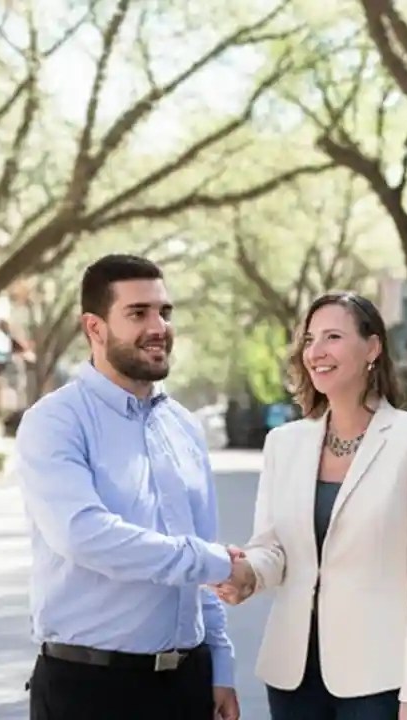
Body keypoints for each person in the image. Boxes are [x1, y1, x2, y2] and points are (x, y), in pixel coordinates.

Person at [14, 253, 247, 720]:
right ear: (95, 328)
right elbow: (84, 534)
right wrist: (216, 562)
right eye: (138, 313)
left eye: (164, 312)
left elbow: (199, 556)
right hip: (90, 691)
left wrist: (220, 662)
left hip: (186, 685)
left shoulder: (184, 427)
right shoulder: (56, 421)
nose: (158, 326)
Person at [214, 291, 407, 720]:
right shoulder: (284, 444)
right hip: (292, 676)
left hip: (379, 679)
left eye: (332, 337)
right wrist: (246, 571)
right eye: (309, 340)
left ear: (373, 348)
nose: (316, 352)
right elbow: (272, 547)